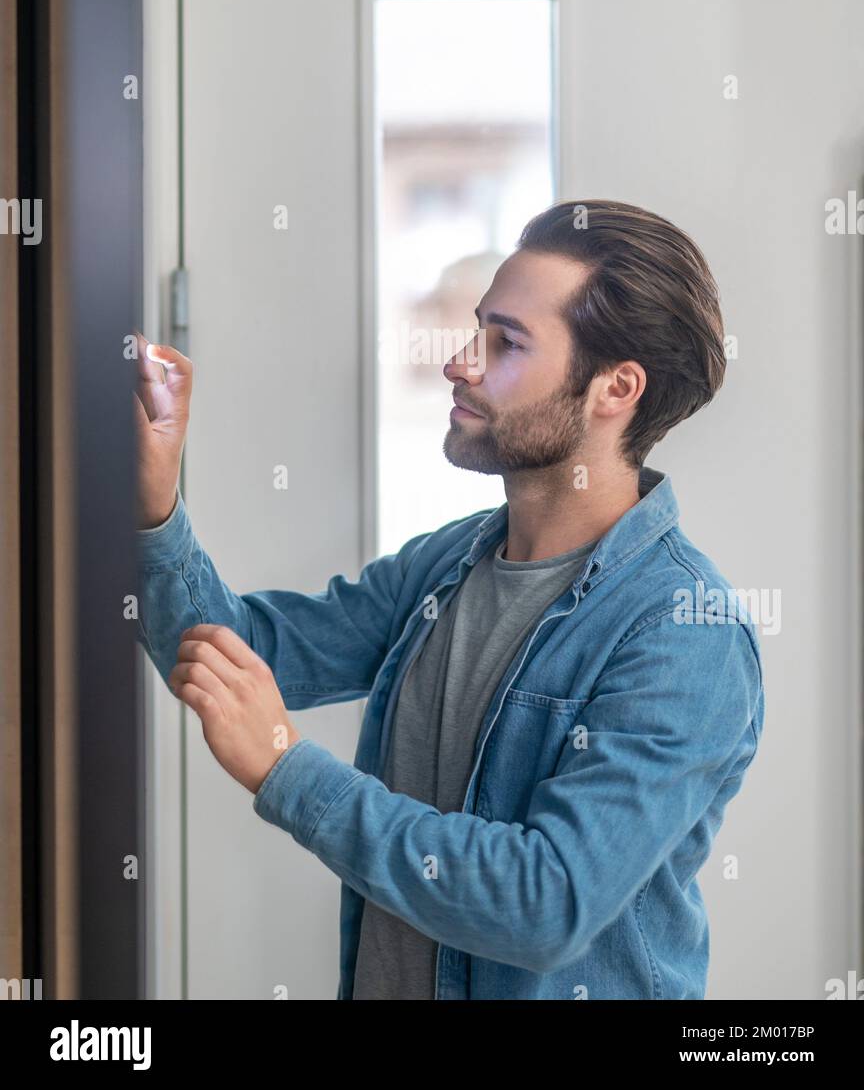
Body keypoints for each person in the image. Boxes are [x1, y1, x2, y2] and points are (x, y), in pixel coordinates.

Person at [135, 198, 764, 1000]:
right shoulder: (450, 562)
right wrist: (153, 504)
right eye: (477, 330)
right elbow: (232, 655)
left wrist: (288, 770)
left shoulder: (684, 632)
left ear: (616, 389)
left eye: (506, 343)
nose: (459, 361)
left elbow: (546, 902)